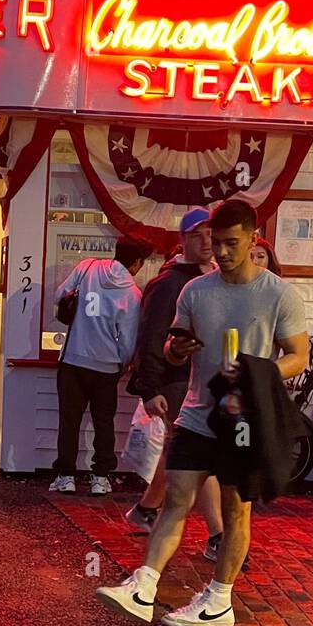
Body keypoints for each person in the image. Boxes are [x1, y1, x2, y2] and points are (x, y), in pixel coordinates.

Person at [98, 199, 309, 626]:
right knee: (176, 498)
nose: (223, 252)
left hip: (242, 417)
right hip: (196, 413)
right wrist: (176, 350)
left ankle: (219, 600)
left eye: (232, 243)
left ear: (254, 239)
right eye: (216, 243)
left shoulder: (278, 293)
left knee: (236, 510)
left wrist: (256, 371)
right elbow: (172, 347)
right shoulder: (195, 291)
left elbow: (298, 355)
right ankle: (144, 586)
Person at [126, 207, 224, 559]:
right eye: (197, 235)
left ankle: (146, 508)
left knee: (180, 451)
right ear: (183, 240)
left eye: (211, 234)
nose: (207, 241)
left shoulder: (215, 279)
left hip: (205, 380)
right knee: (203, 454)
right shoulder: (169, 283)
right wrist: (149, 389)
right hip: (176, 380)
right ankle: (219, 535)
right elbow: (150, 337)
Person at [49, 237, 149, 496]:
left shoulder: (87, 267)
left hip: (73, 359)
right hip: (106, 366)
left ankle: (66, 476)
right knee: (103, 422)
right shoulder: (133, 293)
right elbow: (128, 339)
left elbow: (60, 294)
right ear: (137, 263)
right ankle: (101, 477)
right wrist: (123, 362)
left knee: (69, 420)